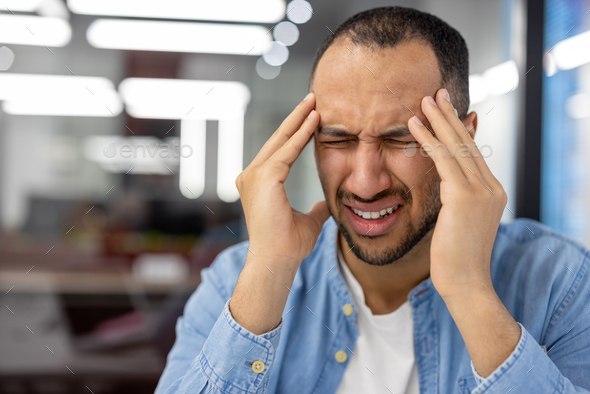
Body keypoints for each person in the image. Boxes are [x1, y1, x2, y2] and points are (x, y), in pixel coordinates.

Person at [155, 6, 590, 394]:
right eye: (338, 139)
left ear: (466, 138)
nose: (365, 183)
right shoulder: (235, 282)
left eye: (402, 138)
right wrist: (269, 271)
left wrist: (470, 292)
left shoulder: (562, 284)